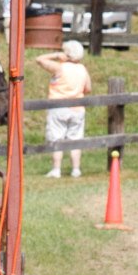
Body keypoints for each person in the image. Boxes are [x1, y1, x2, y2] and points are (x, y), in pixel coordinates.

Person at [43, 37, 93, 179]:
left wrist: (56, 55)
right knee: (75, 139)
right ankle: (76, 169)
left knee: (57, 138)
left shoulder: (59, 67)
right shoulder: (82, 69)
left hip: (58, 107)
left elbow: (39, 60)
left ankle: (56, 169)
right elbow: (88, 88)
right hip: (77, 108)